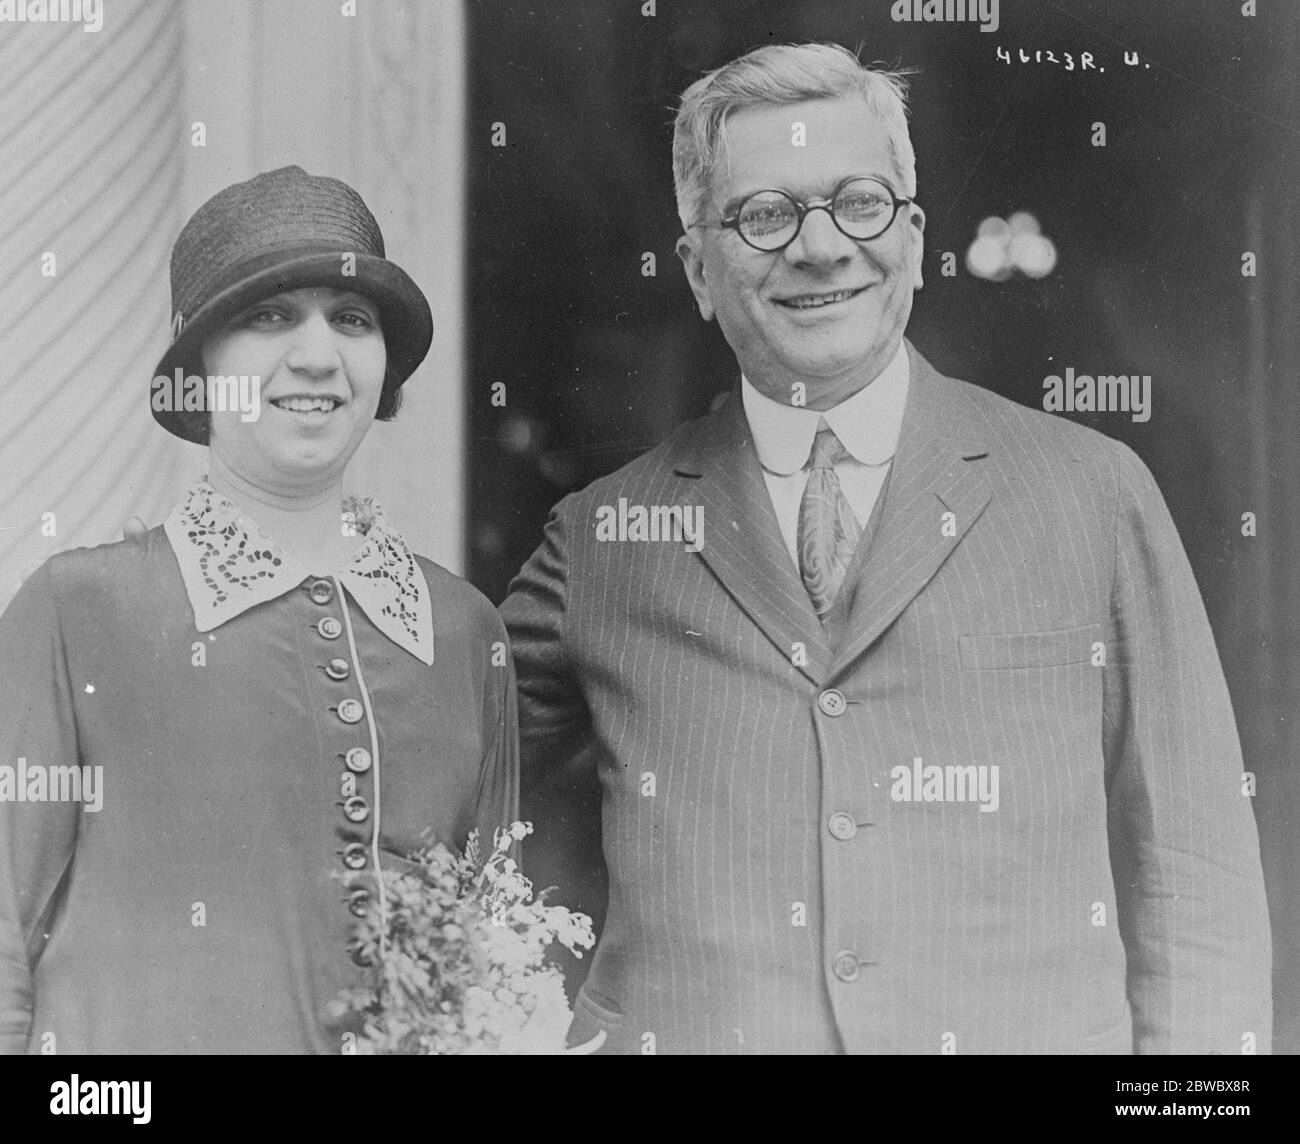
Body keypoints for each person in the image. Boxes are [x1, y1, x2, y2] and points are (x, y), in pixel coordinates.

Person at [501, 43, 1272, 1054]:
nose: (819, 249)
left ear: (911, 242)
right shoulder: (600, 540)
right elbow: (418, 770)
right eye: (766, 215)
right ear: (696, 268)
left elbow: (1197, 883)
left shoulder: (1094, 494)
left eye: (858, 204)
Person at [0, 166, 518, 1054]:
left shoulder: (465, 632)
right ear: (200, 368)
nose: (317, 356)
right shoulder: (79, 609)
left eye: (351, 319)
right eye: (269, 315)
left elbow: (499, 956)